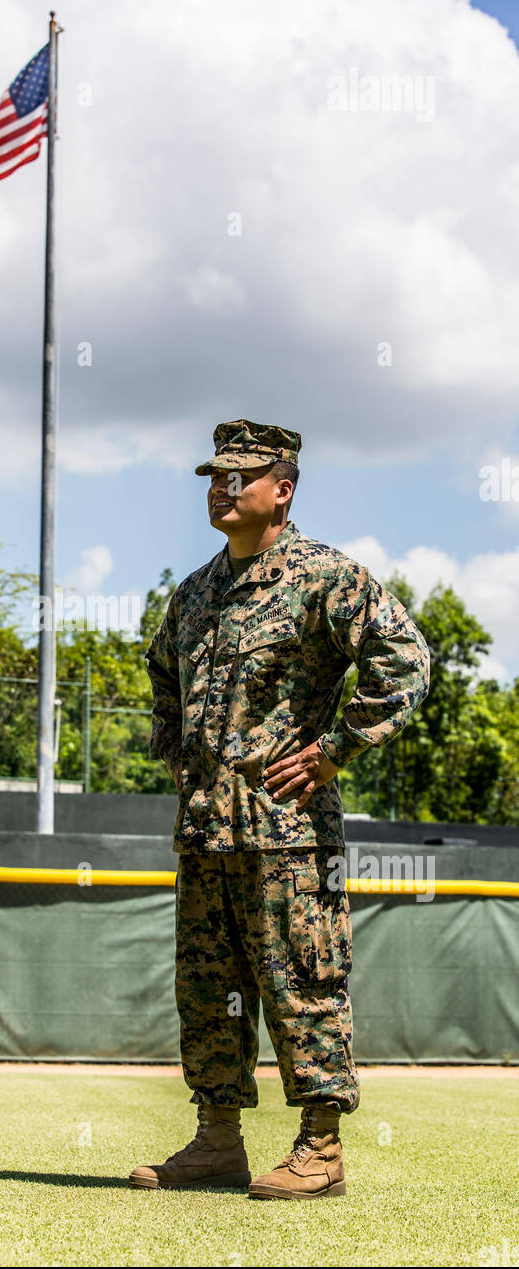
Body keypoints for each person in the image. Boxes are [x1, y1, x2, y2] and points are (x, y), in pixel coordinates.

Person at [130, 418, 430, 1200]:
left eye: (241, 477)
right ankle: (216, 1140)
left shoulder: (326, 578)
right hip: (206, 832)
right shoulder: (196, 593)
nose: (222, 489)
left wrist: (334, 749)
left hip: (288, 834)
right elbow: (162, 673)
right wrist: (178, 753)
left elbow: (405, 660)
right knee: (208, 987)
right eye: (215, 477)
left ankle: (320, 1150)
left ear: (283, 489)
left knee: (303, 982)